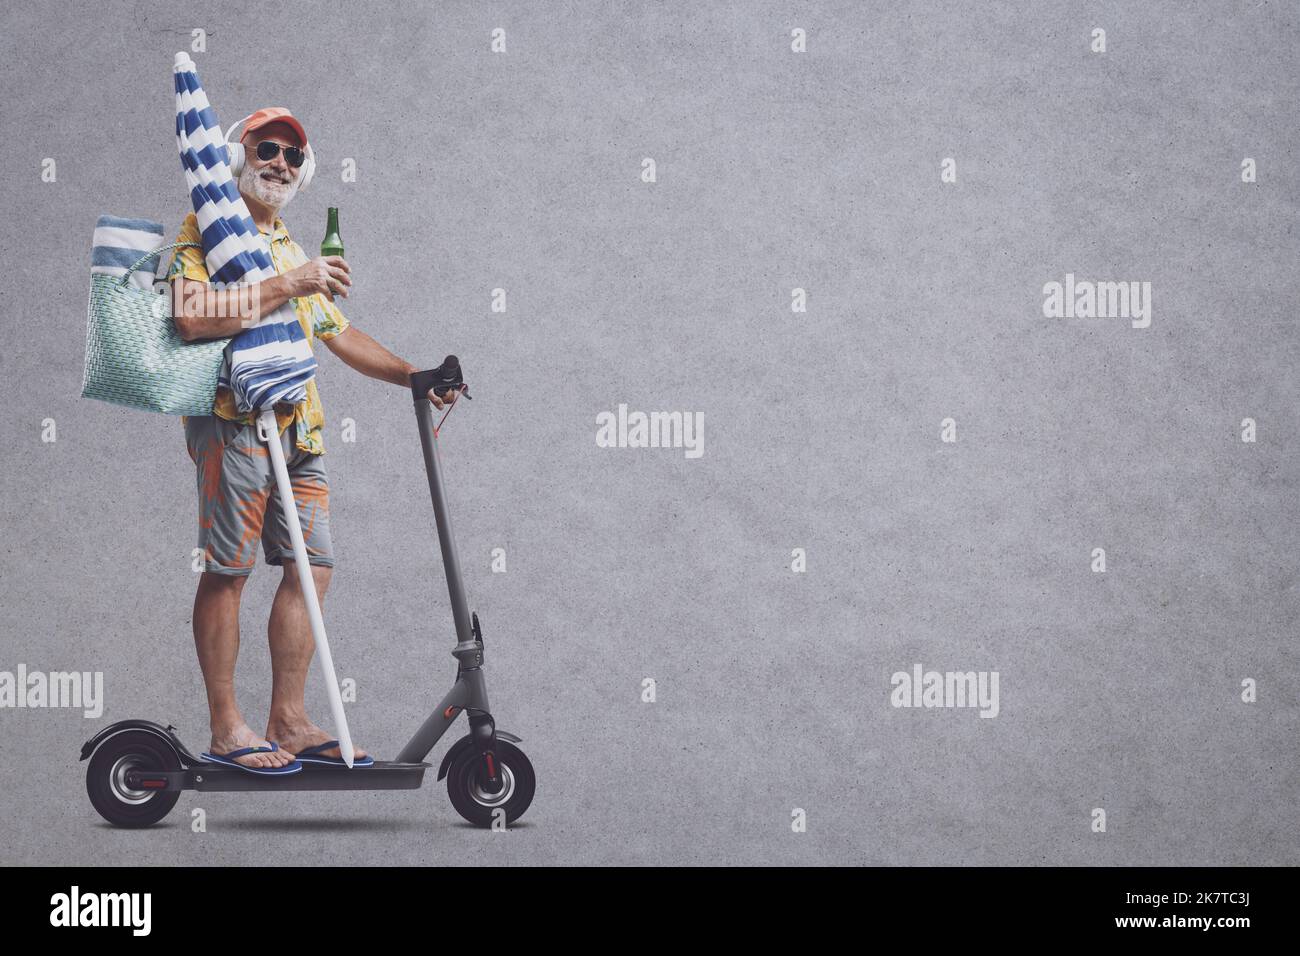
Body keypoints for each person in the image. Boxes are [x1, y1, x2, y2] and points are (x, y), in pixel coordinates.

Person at [167, 107, 452, 771]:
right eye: (267, 149)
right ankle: (227, 727)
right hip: (235, 424)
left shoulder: (296, 245)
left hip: (301, 429)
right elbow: (190, 318)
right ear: (239, 156)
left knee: (312, 566)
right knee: (229, 570)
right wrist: (288, 284)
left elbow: (339, 334)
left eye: (295, 157)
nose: (281, 164)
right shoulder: (204, 231)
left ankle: (289, 721)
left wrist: (415, 375)